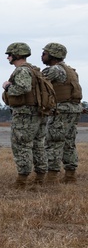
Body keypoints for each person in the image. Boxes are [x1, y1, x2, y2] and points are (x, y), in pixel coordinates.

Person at [2, 42, 51, 188]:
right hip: (38, 113)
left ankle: (22, 180)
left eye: (9, 55)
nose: (8, 58)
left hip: (25, 114)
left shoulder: (22, 71)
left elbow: (23, 88)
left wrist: (7, 87)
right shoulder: (34, 70)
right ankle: (40, 178)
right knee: (38, 145)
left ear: (17, 55)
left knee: (21, 145)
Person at [41, 42, 81, 183]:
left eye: (44, 53)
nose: (42, 56)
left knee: (53, 142)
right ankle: (70, 175)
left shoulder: (55, 70)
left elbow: (38, 82)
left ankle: (51, 177)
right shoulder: (70, 70)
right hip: (73, 110)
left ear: (53, 55)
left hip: (61, 111)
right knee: (69, 143)